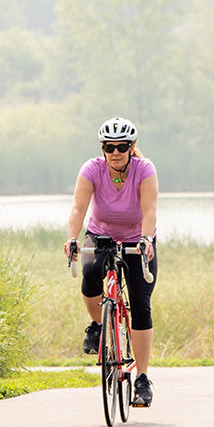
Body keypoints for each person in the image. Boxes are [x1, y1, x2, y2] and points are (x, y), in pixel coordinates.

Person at [64, 117, 159, 406]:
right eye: (109, 147)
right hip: (101, 235)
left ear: (132, 148)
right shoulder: (92, 169)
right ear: (102, 148)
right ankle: (96, 324)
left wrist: (145, 239)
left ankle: (142, 378)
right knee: (91, 272)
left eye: (121, 147)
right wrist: (72, 238)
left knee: (141, 304)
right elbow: (78, 208)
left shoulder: (144, 169)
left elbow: (150, 208)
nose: (115, 152)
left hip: (137, 238)